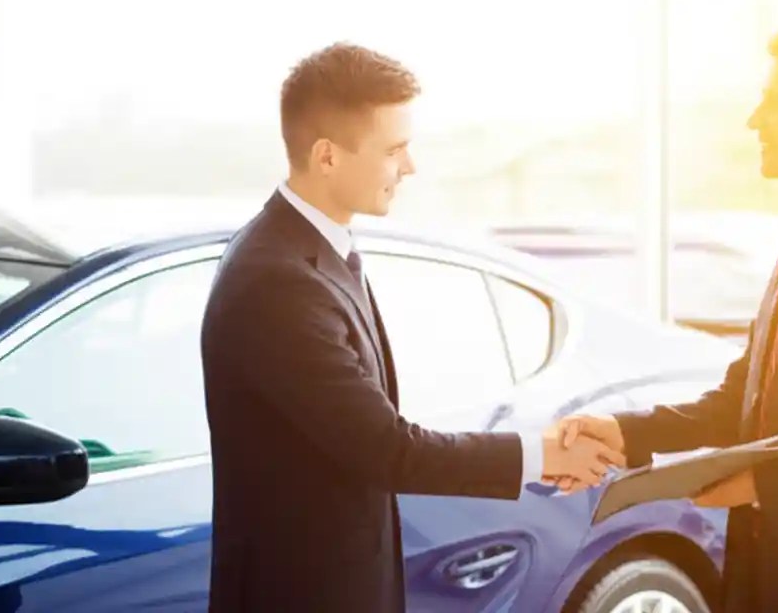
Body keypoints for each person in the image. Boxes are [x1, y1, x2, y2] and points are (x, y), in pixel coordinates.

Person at [200, 42, 622, 613]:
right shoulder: (277, 280)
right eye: (394, 149)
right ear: (327, 157)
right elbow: (386, 449)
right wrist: (542, 454)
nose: (411, 166)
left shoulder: (314, 249)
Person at [559, 21, 778, 612]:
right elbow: (745, 401)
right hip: (765, 572)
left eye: (777, 103)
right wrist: (627, 434)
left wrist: (766, 486)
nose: (755, 121)